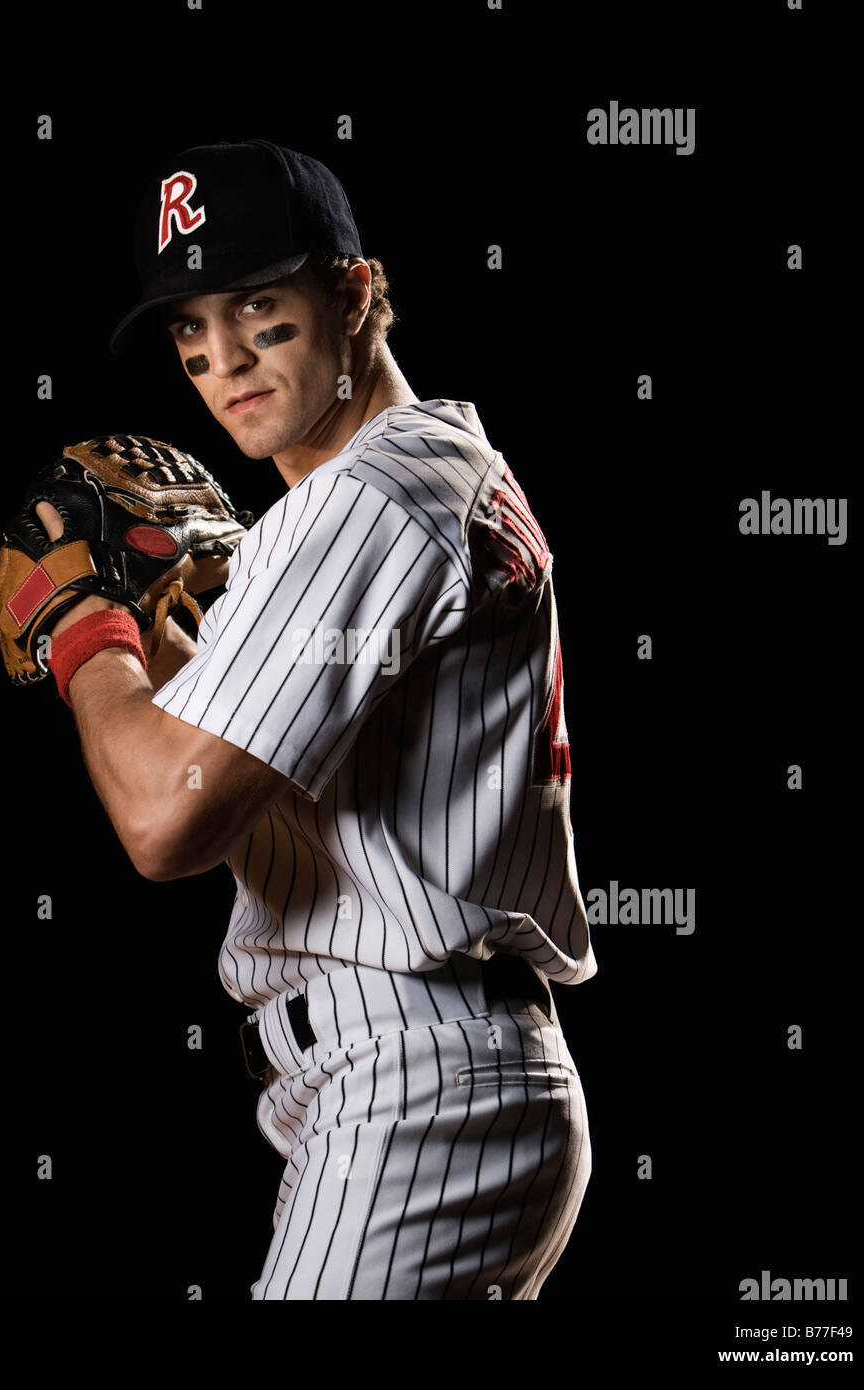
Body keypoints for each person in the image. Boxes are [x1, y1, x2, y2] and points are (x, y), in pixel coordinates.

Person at [36, 138, 597, 1299]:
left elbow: (162, 816)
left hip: (418, 1078)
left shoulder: (365, 494)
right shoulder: (424, 474)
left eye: (257, 310)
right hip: (428, 1077)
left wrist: (83, 627)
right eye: (191, 334)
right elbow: (261, 760)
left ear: (353, 294)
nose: (222, 359)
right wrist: (163, 633)